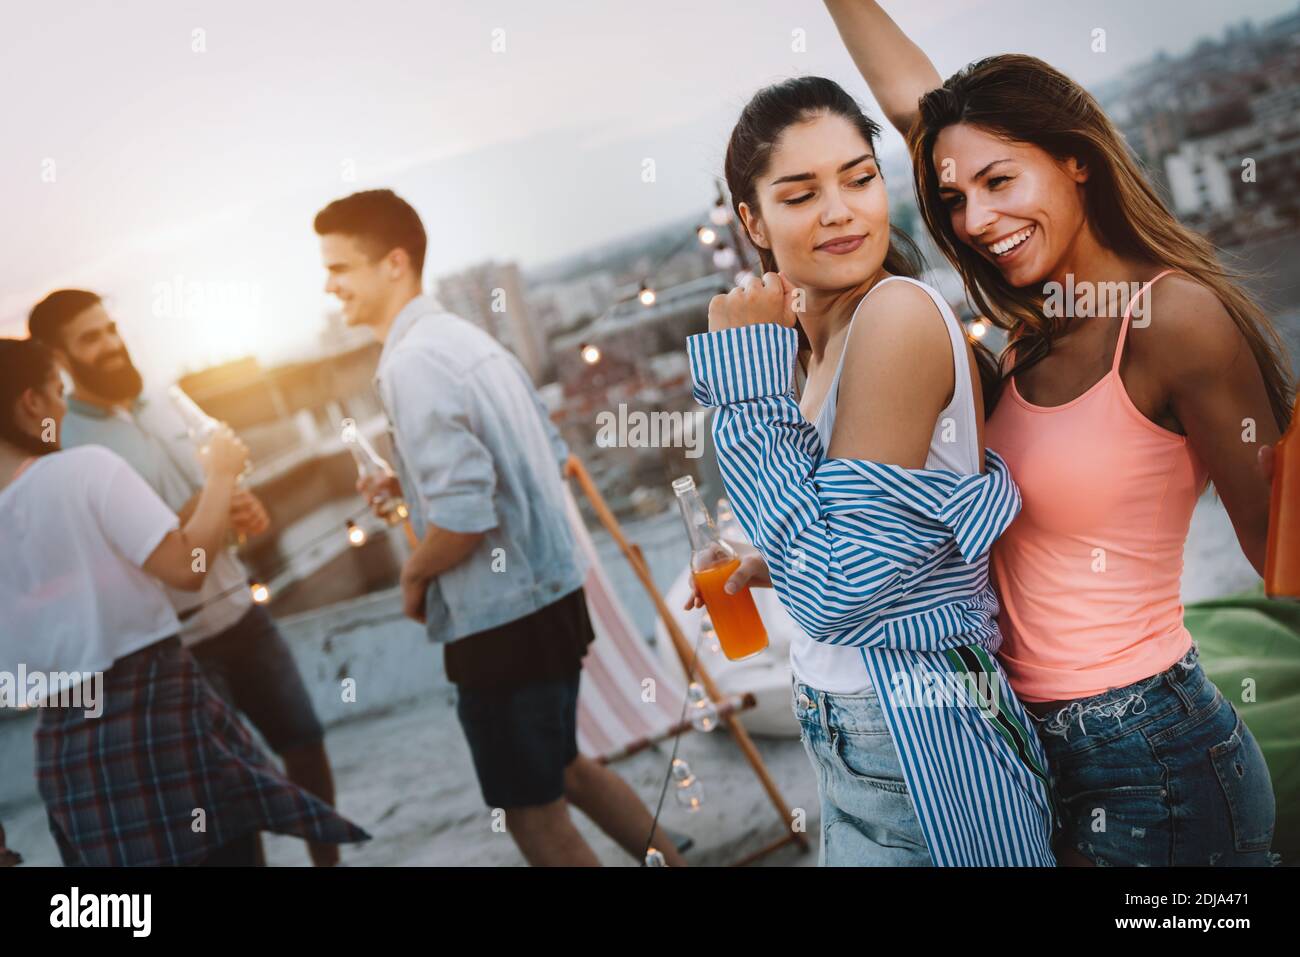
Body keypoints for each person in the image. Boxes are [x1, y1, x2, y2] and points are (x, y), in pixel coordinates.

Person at [826, 0, 1287, 865]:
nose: (972, 220)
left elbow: (1282, 545)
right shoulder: (1032, 325)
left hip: (1159, 757)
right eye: (954, 198)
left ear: (1076, 159)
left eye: (1000, 182)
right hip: (1031, 746)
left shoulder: (1171, 318)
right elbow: (918, 105)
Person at [686, 77, 1054, 865]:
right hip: (846, 721)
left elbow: (834, 588)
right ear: (751, 220)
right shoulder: (815, 343)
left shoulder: (894, 316)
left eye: (858, 177)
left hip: (922, 728)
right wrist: (767, 564)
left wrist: (745, 387)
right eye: (800, 193)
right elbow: (846, 542)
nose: (840, 210)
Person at [313, 188, 687, 866]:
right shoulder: (462, 337)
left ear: (394, 263)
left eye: (340, 267)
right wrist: (410, 488)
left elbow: (464, 520)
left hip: (501, 622)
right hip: (550, 603)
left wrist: (413, 571)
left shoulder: (412, 362)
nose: (329, 285)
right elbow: (538, 454)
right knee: (569, 769)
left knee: (532, 817)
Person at [0, 337, 370, 866]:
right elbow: (188, 567)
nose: (63, 407)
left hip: (66, 756)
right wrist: (220, 475)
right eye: (57, 393)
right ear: (30, 403)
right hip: (156, 717)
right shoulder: (84, 470)